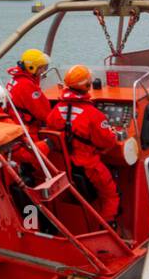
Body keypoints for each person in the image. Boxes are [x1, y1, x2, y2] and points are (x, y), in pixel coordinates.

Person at [45, 65, 121, 222]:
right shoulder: (93, 115)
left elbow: (51, 129)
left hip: (63, 166)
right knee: (111, 195)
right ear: (87, 86)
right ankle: (108, 226)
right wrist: (113, 133)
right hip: (88, 165)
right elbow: (108, 141)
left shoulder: (55, 110)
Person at [6, 48, 52, 129]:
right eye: (41, 68)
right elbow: (44, 113)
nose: (43, 71)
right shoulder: (27, 85)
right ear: (32, 68)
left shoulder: (16, 78)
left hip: (14, 121)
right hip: (27, 129)